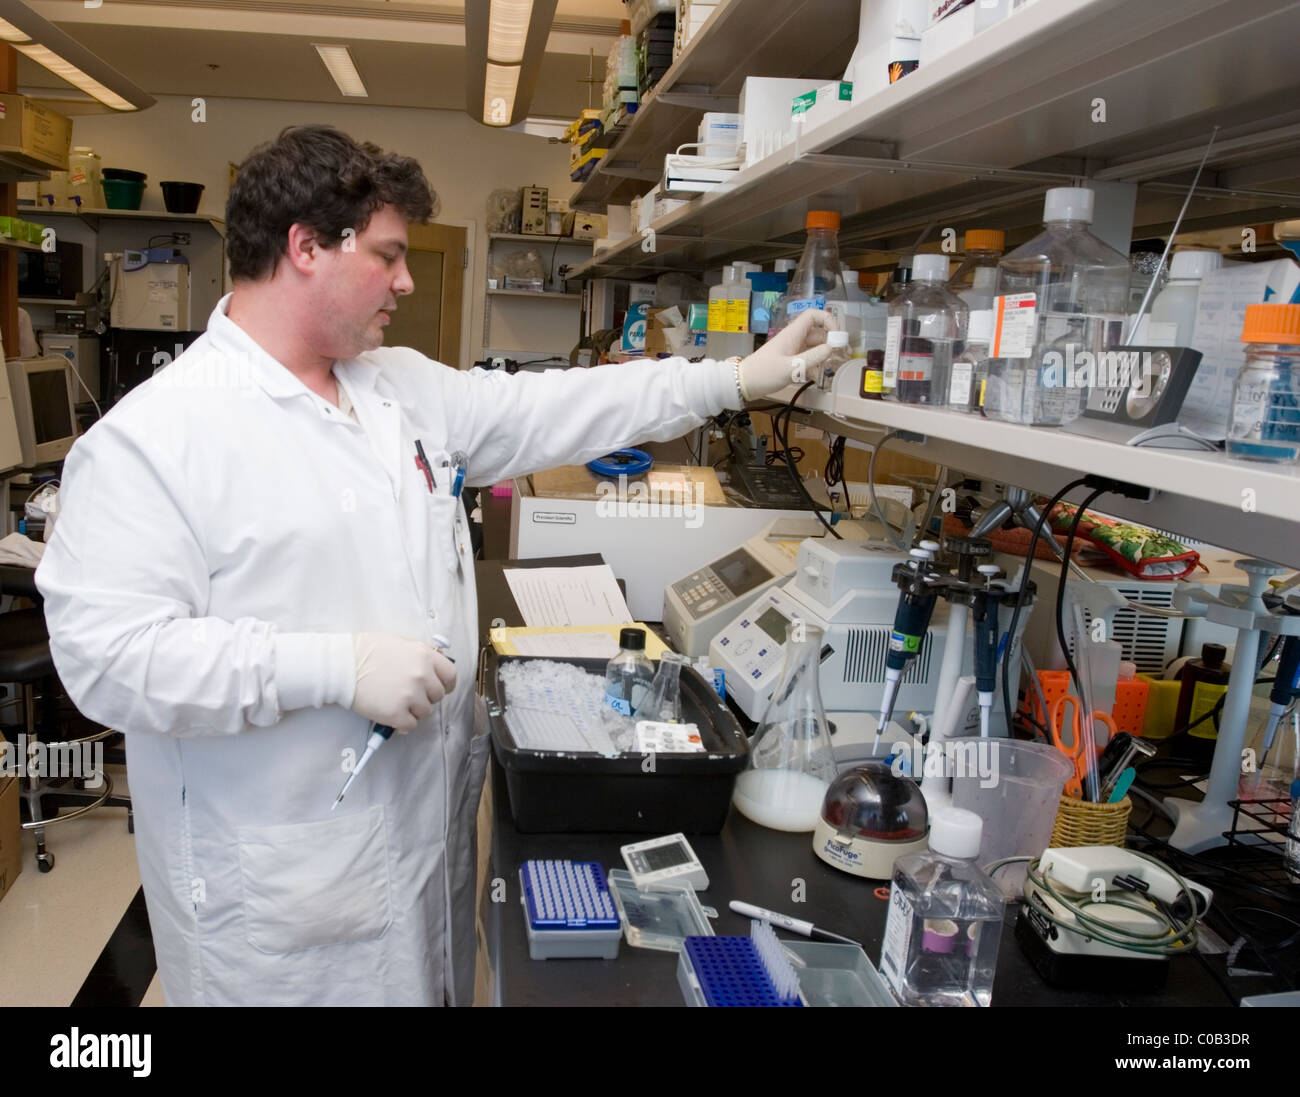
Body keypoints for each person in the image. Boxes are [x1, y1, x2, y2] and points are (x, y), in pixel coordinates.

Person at [35, 125, 834, 1006]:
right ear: (305, 247)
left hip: (425, 854)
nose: (407, 281)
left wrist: (727, 382)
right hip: (281, 905)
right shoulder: (155, 440)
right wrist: (333, 665)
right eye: (387, 256)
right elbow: (107, 660)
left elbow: (550, 404)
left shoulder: (396, 387)